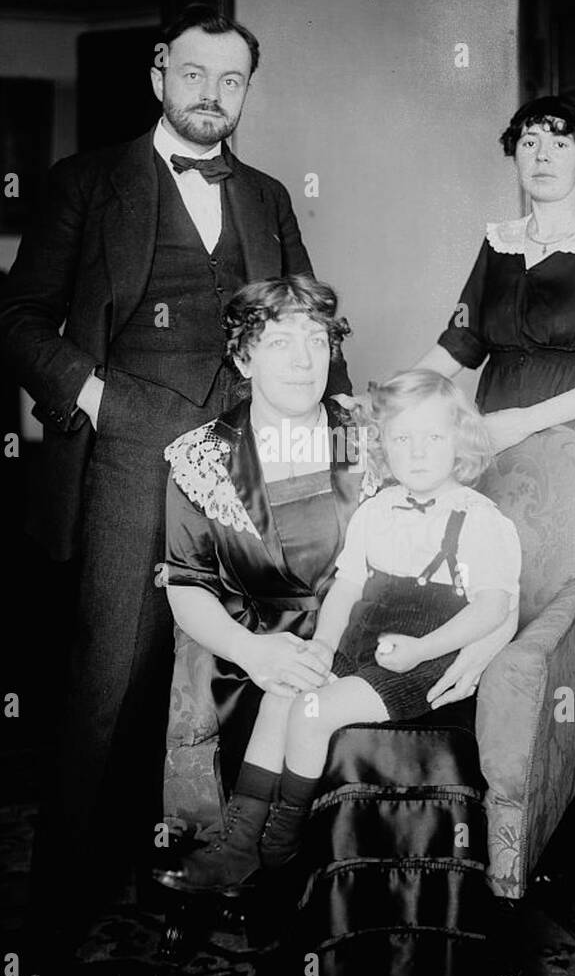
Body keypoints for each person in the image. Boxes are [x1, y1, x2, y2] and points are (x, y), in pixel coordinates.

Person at [0, 6, 349, 969]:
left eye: (230, 81)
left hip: (250, 456)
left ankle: (243, 880)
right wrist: (96, 395)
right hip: (128, 452)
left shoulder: (267, 196)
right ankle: (64, 898)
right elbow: (17, 317)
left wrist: (347, 443)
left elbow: (309, 319)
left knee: (265, 660)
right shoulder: (87, 181)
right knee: (115, 675)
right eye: (193, 75)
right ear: (158, 76)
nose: (211, 96)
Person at [155, 368, 521, 894]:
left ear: (459, 443)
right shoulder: (375, 509)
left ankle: (282, 843)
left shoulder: (480, 518)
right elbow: (347, 589)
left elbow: (491, 608)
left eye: (434, 438)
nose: (417, 453)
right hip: (363, 640)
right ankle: (238, 844)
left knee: (311, 711)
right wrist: (322, 646)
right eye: (402, 439)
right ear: (384, 447)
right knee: (283, 691)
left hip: (426, 657)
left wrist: (424, 648)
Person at [415, 94, 575, 694]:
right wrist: (399, 392)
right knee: (500, 581)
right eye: (528, 142)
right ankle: (503, 734)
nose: (541, 154)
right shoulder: (498, 244)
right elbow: (461, 343)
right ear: (514, 158)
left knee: (574, 590)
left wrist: (524, 421)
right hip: (496, 438)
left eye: (559, 141)